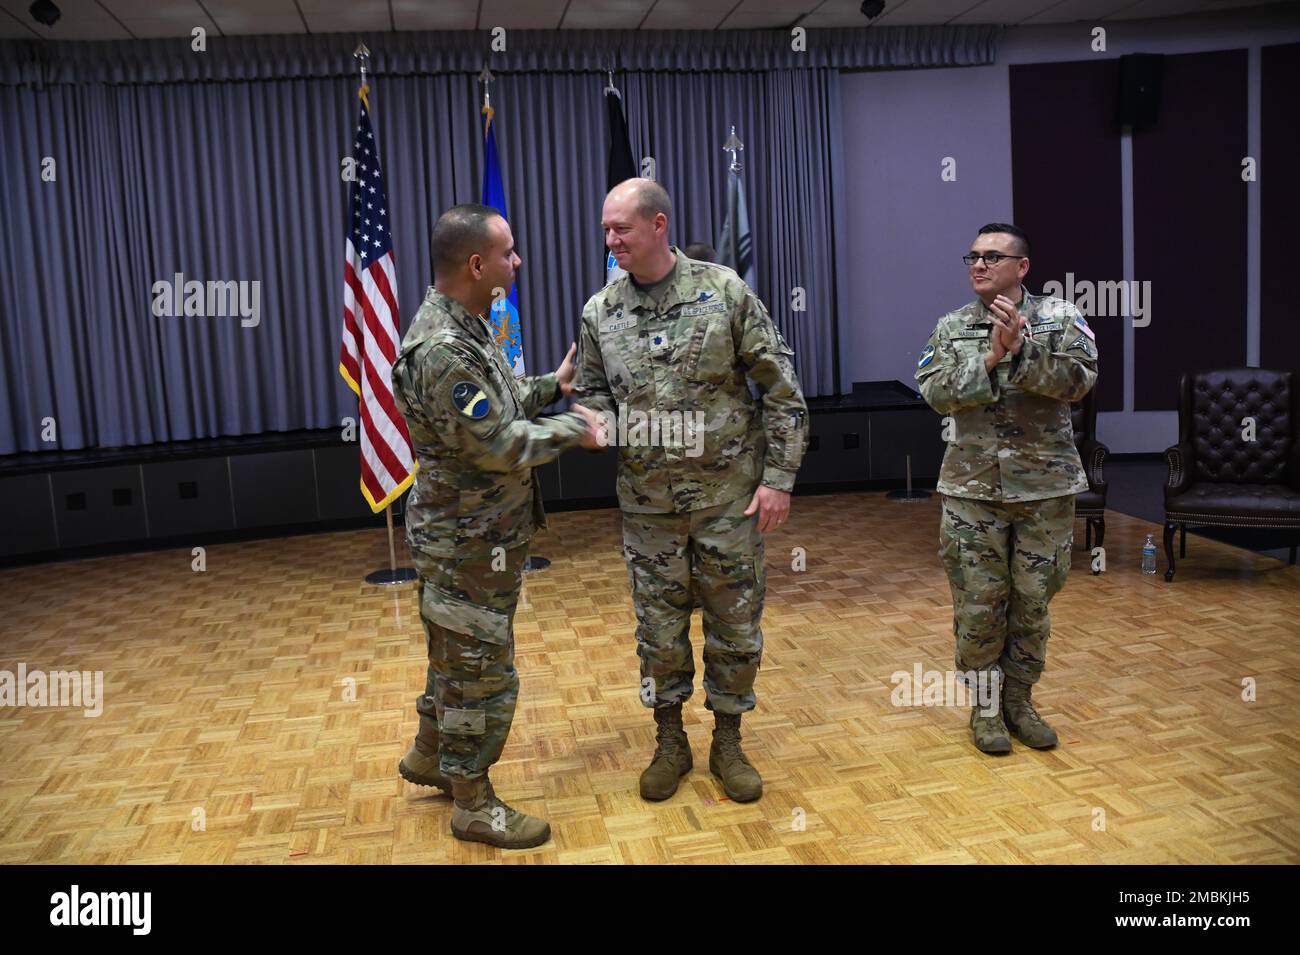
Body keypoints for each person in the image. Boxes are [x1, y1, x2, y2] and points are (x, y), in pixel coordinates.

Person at [573, 178, 808, 803]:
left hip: (728, 500)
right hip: (648, 505)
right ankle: (669, 739)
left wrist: (779, 480)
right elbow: (595, 392)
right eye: (605, 229)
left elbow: (782, 389)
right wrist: (592, 420)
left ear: (658, 226)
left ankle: (728, 739)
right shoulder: (601, 310)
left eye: (621, 228)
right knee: (658, 631)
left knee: (734, 626)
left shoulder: (724, 291)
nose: (611, 239)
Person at [391, 203, 601, 848]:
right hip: (466, 542)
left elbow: (496, 401)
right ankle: (472, 800)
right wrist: (577, 428)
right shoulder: (445, 349)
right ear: (476, 263)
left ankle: (431, 755)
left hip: (479, 536)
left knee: (453, 656)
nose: (517, 262)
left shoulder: (464, 325)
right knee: (481, 669)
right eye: (508, 252)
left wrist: (550, 385)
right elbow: (499, 445)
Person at [915, 223, 1098, 755]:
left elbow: (1080, 382)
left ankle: (1020, 700)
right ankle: (986, 708)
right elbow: (934, 392)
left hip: (1043, 490)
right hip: (972, 490)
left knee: (1033, 601)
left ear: (1022, 268)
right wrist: (991, 358)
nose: (979, 265)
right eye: (972, 256)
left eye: (993, 257)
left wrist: (1022, 349)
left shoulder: (1061, 318)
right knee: (978, 603)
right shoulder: (952, 327)